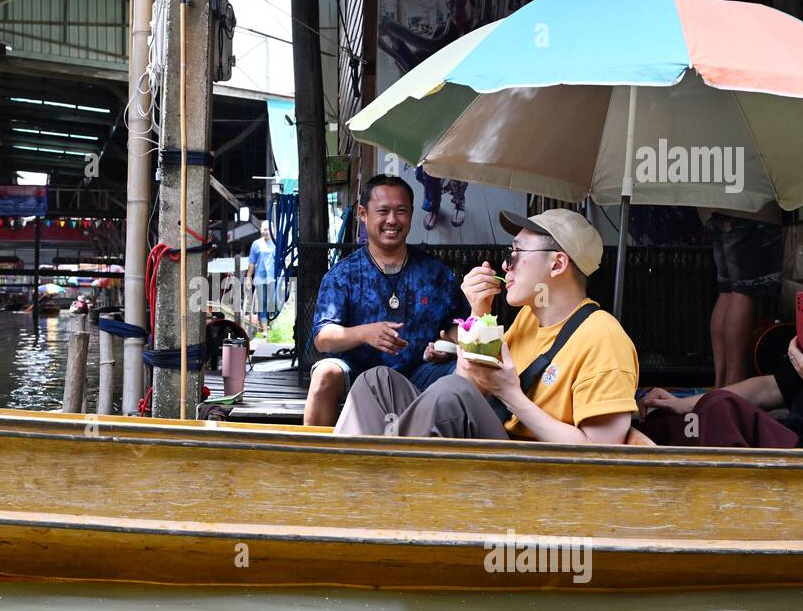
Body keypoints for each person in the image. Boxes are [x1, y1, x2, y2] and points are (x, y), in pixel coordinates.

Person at [335, 209, 639, 444]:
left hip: (532, 475)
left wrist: (512, 396)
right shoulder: (529, 319)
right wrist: (478, 312)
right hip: (493, 443)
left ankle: (379, 484)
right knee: (377, 383)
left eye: (516, 253)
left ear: (557, 264)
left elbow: (601, 453)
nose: (506, 265)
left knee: (449, 393)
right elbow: (472, 385)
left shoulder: (603, 337)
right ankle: (358, 479)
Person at [641, 239, 803, 452]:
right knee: (673, 419)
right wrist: (683, 402)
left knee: (721, 411)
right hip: (781, 454)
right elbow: (768, 387)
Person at [306, 174, 468, 426]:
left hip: (421, 371)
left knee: (468, 371)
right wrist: (364, 333)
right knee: (325, 375)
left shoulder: (435, 272)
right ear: (363, 213)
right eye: (383, 211)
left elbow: (460, 325)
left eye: (401, 211)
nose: (392, 220)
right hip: (358, 373)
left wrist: (444, 346)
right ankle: (316, 461)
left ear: (412, 213)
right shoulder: (344, 274)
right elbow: (322, 337)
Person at [702, 207, 784, 387]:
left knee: (727, 291)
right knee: (744, 291)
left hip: (716, 207)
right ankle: (735, 385)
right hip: (750, 208)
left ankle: (721, 385)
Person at [246, 219, 278, 333]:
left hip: (273, 277)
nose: (266, 231)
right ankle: (265, 331)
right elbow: (252, 262)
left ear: (273, 230)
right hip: (260, 278)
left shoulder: (277, 243)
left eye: (268, 229)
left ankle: (270, 324)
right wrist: (248, 278)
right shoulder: (256, 244)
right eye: (264, 229)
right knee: (262, 304)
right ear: (260, 230)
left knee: (274, 302)